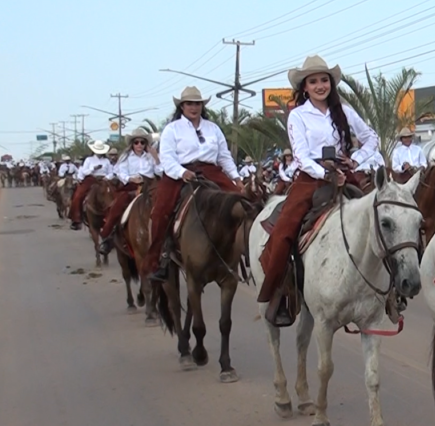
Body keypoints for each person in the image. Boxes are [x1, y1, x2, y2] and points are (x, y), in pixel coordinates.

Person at [256, 55, 379, 327]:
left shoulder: (345, 111)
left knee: (380, 217)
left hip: (345, 173)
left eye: (324, 80)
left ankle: (389, 293)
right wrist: (325, 173)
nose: (320, 85)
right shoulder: (298, 116)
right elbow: (300, 156)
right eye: (314, 81)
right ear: (305, 87)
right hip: (311, 178)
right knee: (285, 230)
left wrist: (356, 160)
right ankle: (279, 291)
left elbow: (372, 137)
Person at [145, 86, 244, 282]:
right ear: (182, 106)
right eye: (189, 103)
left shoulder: (213, 128)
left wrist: (237, 178)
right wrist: (183, 173)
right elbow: (167, 158)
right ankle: (160, 259)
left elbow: (224, 156)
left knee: (241, 203)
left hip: (211, 171)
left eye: (197, 103)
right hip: (179, 173)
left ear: (202, 106)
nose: (194, 107)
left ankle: (240, 252)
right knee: (161, 211)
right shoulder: (172, 129)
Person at [97, 128, 159, 255]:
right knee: (118, 205)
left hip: (151, 185)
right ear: (132, 144)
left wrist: (156, 158)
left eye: (142, 142)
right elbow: (120, 172)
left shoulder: (151, 156)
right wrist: (131, 178)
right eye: (136, 142)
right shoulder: (126, 157)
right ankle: (107, 235)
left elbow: (160, 171)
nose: (139, 145)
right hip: (131, 186)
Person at [69, 139, 113, 230]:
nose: (99, 153)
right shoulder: (89, 160)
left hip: (104, 180)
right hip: (91, 179)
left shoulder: (106, 161)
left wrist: (107, 178)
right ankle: (76, 218)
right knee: (78, 195)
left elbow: (111, 172)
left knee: (114, 195)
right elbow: (84, 171)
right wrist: (93, 168)